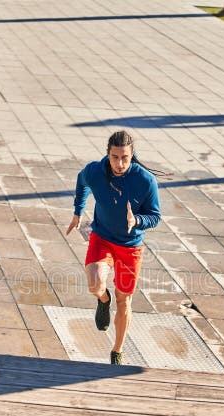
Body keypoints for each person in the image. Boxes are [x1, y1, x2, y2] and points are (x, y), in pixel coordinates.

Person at [66, 130, 161, 365]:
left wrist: (137, 220)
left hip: (130, 247)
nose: (120, 164)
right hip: (103, 237)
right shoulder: (96, 171)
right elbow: (82, 180)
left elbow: (155, 216)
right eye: (115, 157)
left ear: (132, 155)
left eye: (125, 158)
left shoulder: (146, 181)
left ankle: (117, 351)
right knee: (95, 283)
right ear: (107, 154)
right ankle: (102, 300)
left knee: (124, 300)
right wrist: (78, 210)